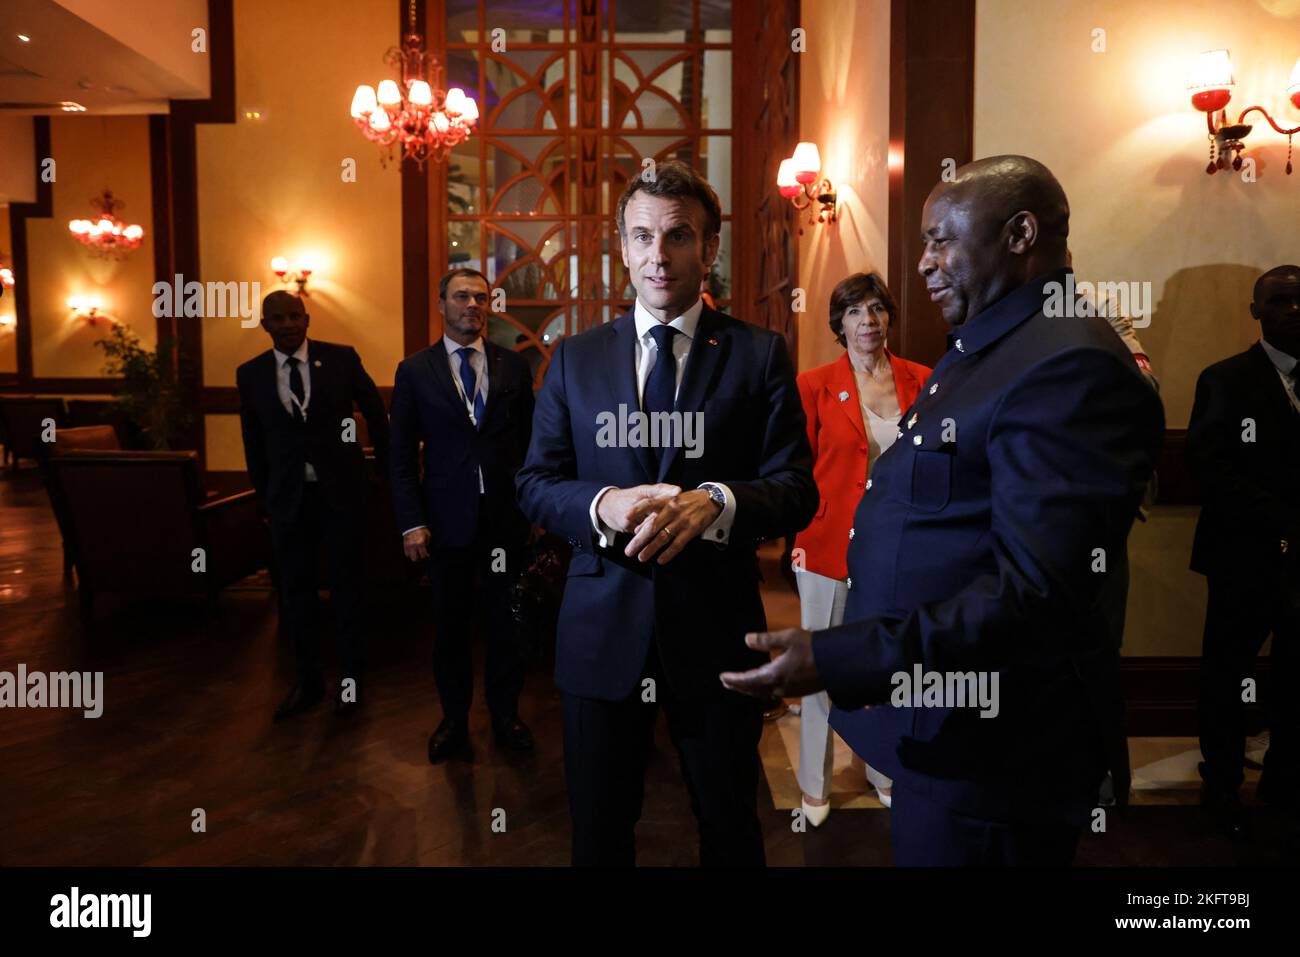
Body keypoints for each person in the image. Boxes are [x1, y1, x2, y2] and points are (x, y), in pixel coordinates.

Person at [722, 155, 1164, 866]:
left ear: (1020, 233)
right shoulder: (990, 345)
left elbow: (1033, 592)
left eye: (942, 240)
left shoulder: (1065, 363)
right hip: (946, 730)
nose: (924, 264)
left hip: (995, 751)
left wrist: (840, 652)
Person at [516, 160, 817, 866]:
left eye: (678, 236)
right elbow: (533, 482)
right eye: (643, 236)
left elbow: (796, 487)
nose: (659, 254)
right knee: (598, 834)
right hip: (600, 635)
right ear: (621, 246)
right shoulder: (574, 359)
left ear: (707, 248)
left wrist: (719, 500)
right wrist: (601, 502)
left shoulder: (758, 354)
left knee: (731, 829)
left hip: (715, 632)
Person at [793, 271, 931, 825]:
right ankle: (813, 781)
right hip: (827, 544)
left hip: (898, 548)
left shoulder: (922, 380)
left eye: (876, 309)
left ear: (889, 317)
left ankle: (882, 768)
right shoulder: (814, 384)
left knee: (885, 663)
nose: (867, 321)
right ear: (838, 323)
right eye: (854, 311)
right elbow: (798, 471)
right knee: (819, 665)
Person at [389, 268, 537, 760]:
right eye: (460, 296)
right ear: (441, 304)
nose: (471, 304)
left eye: (480, 296)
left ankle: (505, 716)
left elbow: (533, 447)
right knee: (449, 630)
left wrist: (536, 509)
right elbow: (402, 457)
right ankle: (453, 722)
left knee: (506, 627)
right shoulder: (414, 371)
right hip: (444, 525)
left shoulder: (514, 368)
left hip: (504, 522)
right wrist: (412, 522)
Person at [237, 290, 389, 720]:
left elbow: (376, 416)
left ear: (307, 319)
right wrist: (264, 496)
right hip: (288, 501)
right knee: (296, 595)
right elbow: (254, 441)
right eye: (277, 319)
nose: (287, 325)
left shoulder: (341, 359)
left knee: (347, 592)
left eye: (293, 316)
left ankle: (351, 683)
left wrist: (382, 474)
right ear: (264, 324)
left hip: (342, 496)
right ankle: (307, 683)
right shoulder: (250, 374)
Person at [1188, 264, 1300, 838]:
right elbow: (1209, 468)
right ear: (1256, 312)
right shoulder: (1225, 379)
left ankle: (1284, 782)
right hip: (1244, 557)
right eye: (1280, 302)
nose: (1293, 312)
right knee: (1228, 675)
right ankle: (1223, 782)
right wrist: (1283, 519)